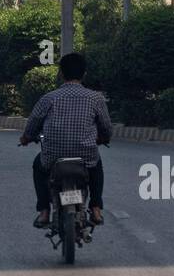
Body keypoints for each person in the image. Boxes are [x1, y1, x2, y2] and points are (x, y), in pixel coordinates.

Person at [20, 52, 113, 228]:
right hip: (85, 157)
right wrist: (103, 138)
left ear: (61, 74)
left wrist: (26, 138)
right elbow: (106, 128)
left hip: (53, 157)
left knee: (38, 167)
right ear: (84, 74)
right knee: (96, 167)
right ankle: (95, 208)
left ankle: (44, 211)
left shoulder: (49, 98)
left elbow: (32, 124)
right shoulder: (95, 98)